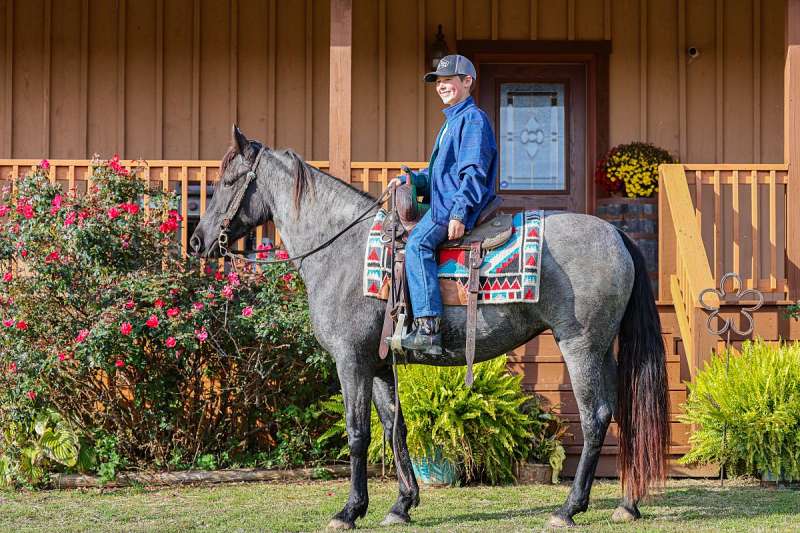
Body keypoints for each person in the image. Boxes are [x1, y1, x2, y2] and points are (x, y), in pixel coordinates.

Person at [388, 54, 498, 355]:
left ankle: (428, 328)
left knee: (417, 245)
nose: (442, 85)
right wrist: (410, 179)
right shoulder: (453, 121)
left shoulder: (472, 119)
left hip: (452, 207)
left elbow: (473, 171)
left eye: (449, 79)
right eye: (439, 81)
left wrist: (460, 212)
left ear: (467, 82)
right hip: (446, 201)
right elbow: (440, 174)